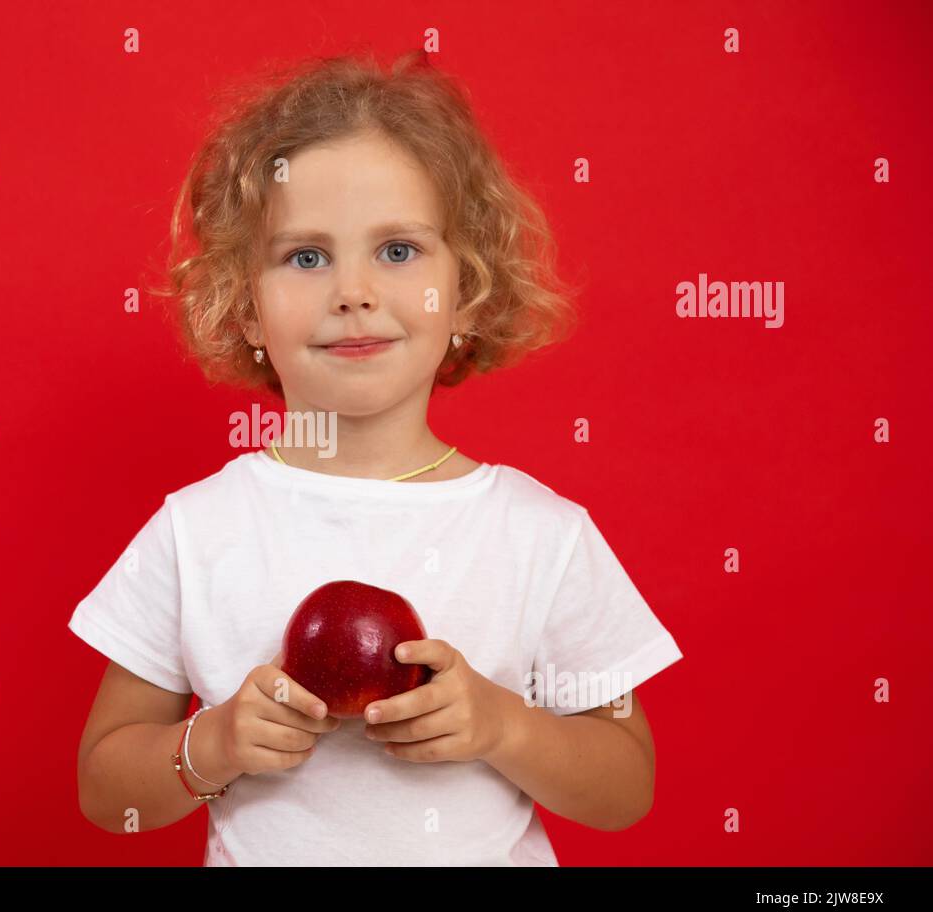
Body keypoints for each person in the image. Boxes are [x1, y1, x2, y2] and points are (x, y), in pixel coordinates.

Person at [71, 50, 683, 865]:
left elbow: (623, 789)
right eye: (306, 256)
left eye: (397, 251)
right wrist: (213, 743)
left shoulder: (542, 535)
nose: (353, 290)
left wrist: (503, 725)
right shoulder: (198, 530)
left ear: (465, 291)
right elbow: (107, 794)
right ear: (245, 307)